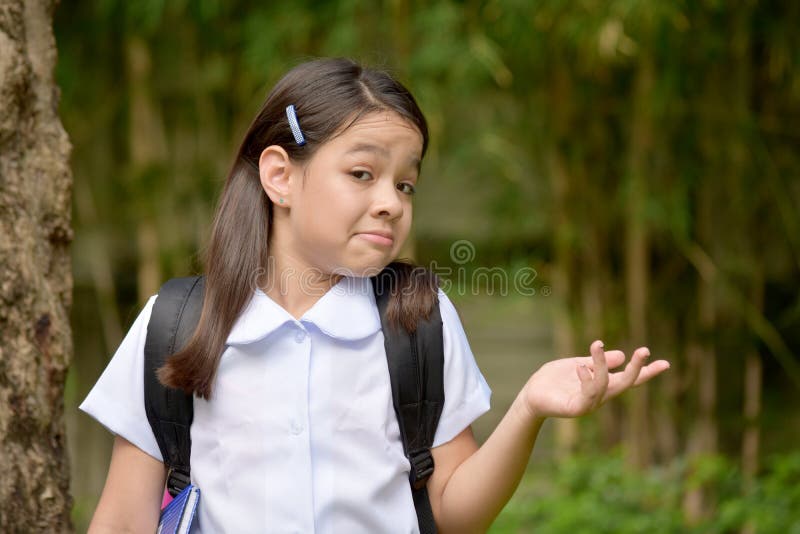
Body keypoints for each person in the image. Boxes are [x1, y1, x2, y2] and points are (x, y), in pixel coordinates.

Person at [81, 57, 670, 533]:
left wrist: (529, 409)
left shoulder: (417, 320)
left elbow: (455, 516)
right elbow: (124, 521)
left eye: (405, 183)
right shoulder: (177, 324)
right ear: (280, 176)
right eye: (362, 174)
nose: (390, 202)